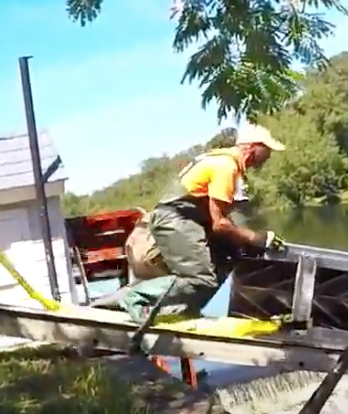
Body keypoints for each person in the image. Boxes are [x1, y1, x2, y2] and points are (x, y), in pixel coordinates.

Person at [103, 123, 287, 325]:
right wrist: (256, 238)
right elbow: (220, 224)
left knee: (232, 255)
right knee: (200, 279)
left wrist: (243, 243)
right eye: (266, 149)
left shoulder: (226, 164)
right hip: (174, 219)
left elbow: (221, 217)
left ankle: (188, 309)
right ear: (252, 147)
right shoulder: (225, 167)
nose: (269, 155)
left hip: (189, 219)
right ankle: (137, 295)